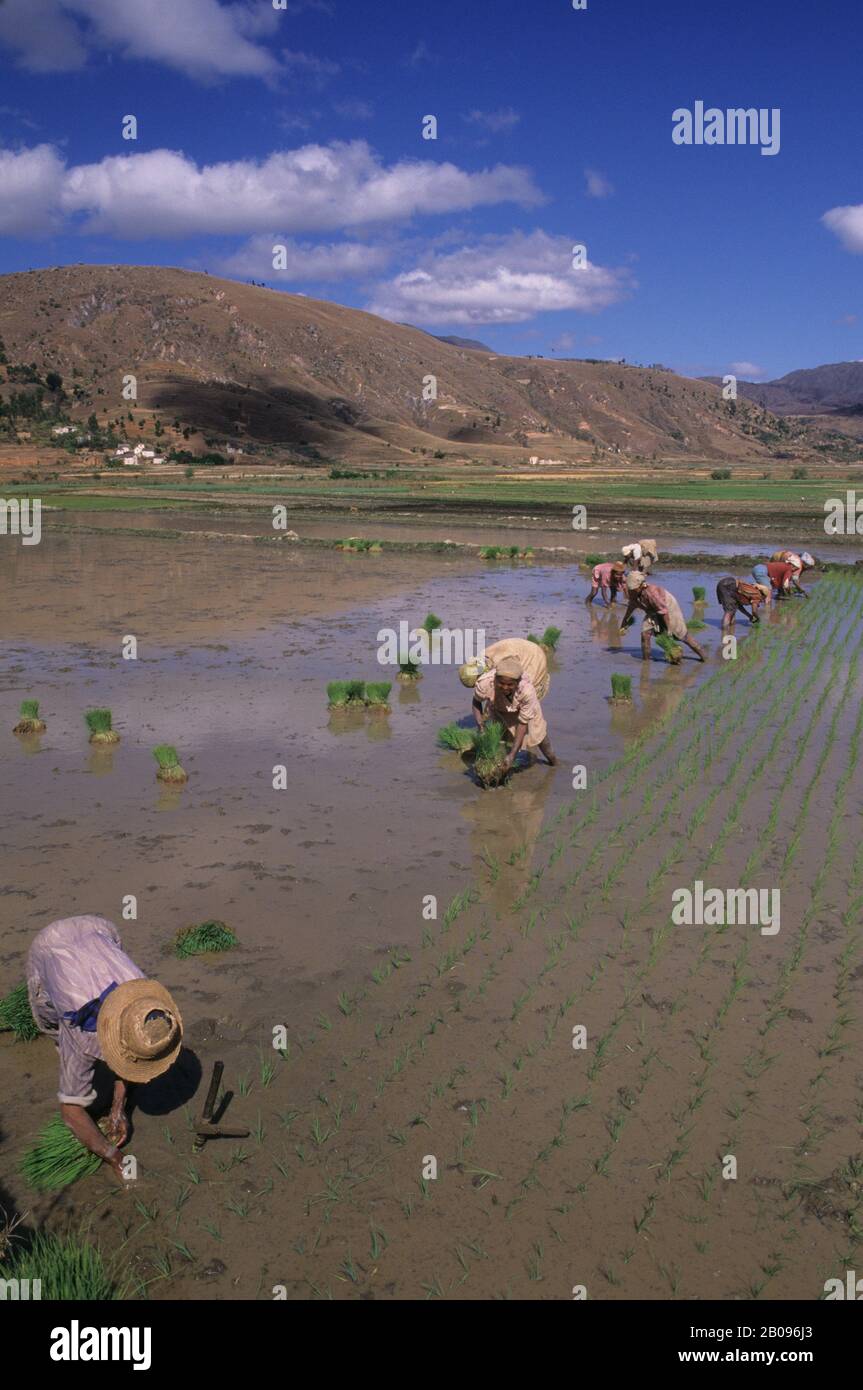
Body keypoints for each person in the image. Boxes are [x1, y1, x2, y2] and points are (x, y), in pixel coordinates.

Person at [26, 914, 183, 1179]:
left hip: (97, 930)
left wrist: (117, 1108)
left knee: (129, 1046)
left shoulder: (146, 1001)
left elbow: (133, 1051)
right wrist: (115, 1157)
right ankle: (71, 1066)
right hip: (48, 948)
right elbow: (70, 1111)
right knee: (54, 1026)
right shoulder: (82, 1037)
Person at [462, 638, 556, 770]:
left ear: (517, 683)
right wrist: (481, 726)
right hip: (499, 707)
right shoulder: (485, 683)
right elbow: (476, 701)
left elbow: (523, 724)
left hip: (530, 663)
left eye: (510, 684)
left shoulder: (527, 691)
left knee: (537, 733)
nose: (505, 687)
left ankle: (554, 762)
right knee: (497, 734)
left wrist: (512, 755)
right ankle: (498, 766)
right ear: (495, 679)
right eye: (501, 683)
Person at [620, 571, 706, 661]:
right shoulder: (633, 592)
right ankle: (646, 661)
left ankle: (704, 656)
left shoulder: (652, 593)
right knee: (645, 634)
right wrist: (624, 622)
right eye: (631, 589)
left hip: (668, 607)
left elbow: (663, 612)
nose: (632, 591)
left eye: (634, 589)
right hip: (652, 610)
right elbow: (631, 606)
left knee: (681, 635)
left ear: (642, 585)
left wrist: (669, 629)